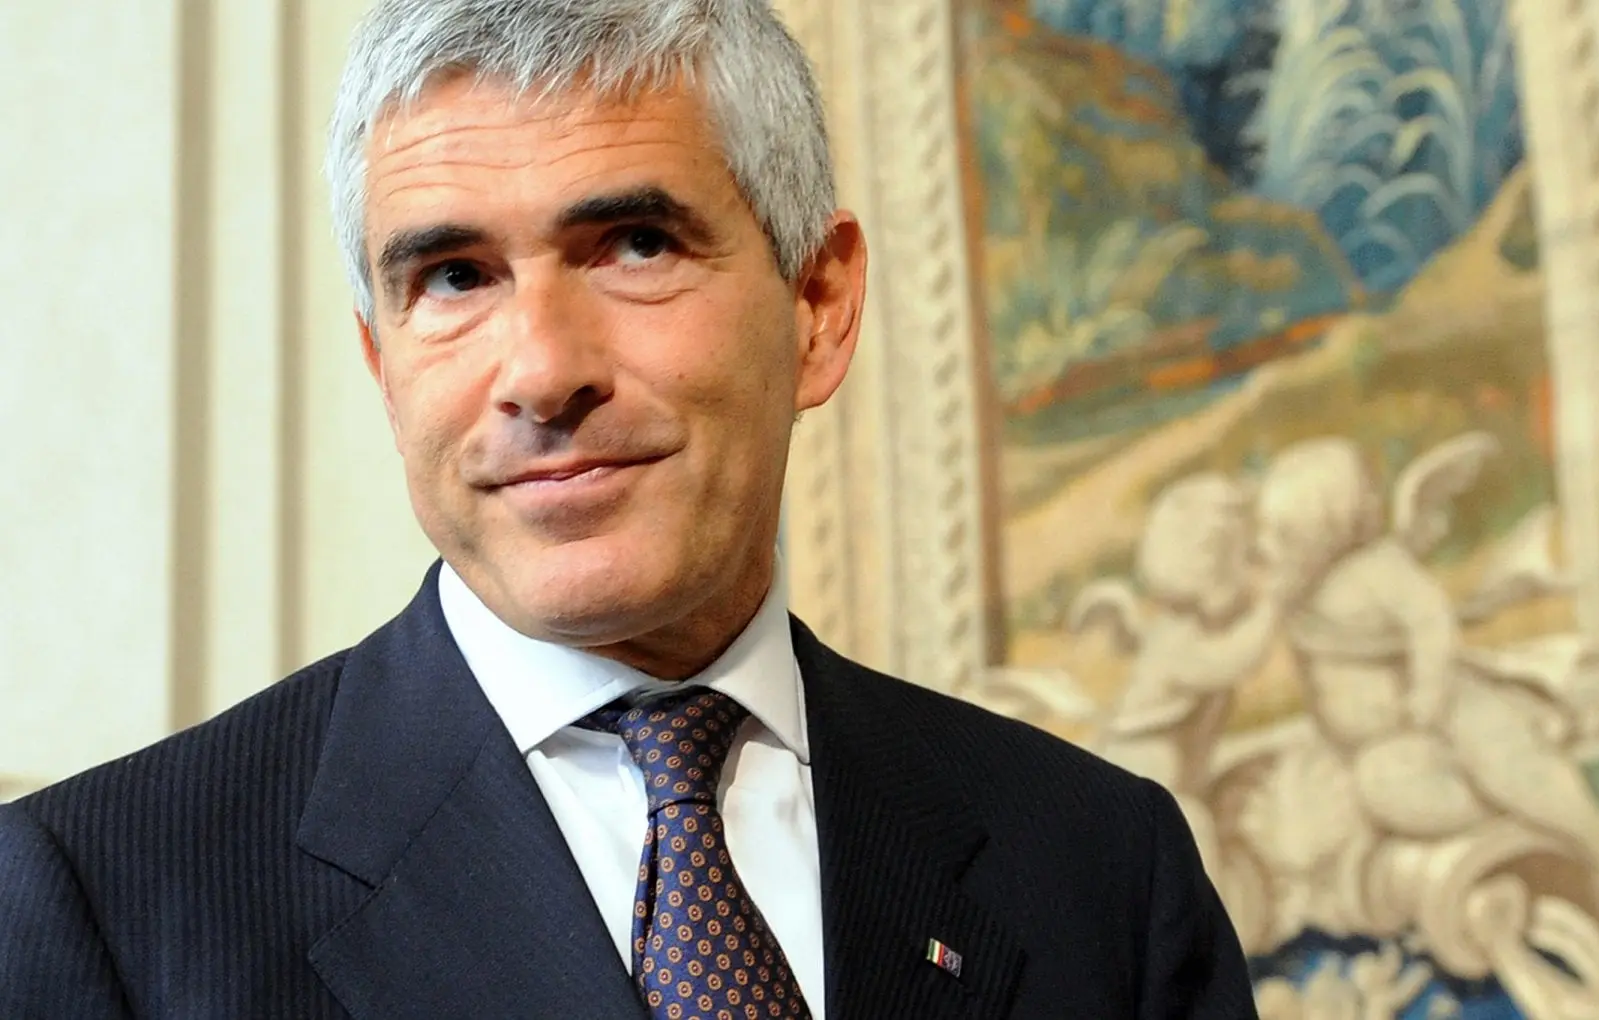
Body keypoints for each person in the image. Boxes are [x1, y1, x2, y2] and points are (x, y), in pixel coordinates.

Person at [0, 1, 1257, 1016]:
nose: (544, 372)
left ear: (818, 308)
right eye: (454, 276)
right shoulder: (102, 902)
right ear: (384, 367)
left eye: (636, 245)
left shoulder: (1101, 869)